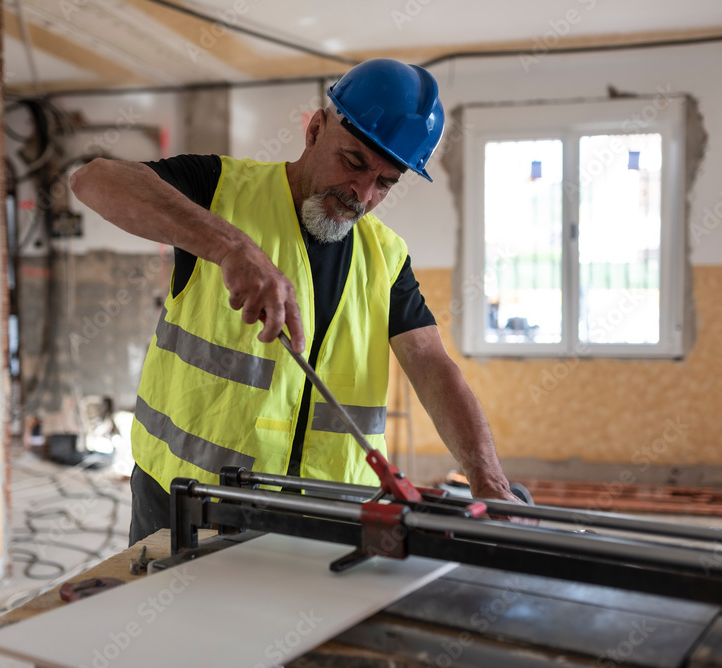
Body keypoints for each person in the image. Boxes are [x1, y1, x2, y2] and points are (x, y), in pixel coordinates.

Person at [70, 59, 523, 545]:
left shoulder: (386, 257)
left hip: (331, 516)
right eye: (353, 163)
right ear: (314, 130)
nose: (362, 194)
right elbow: (94, 180)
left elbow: (432, 364)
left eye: (386, 183)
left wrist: (488, 479)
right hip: (190, 501)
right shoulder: (220, 190)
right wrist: (229, 246)